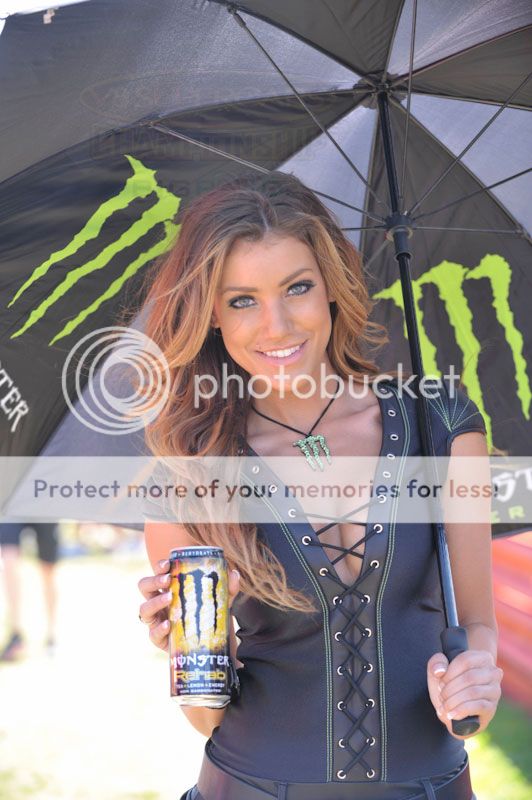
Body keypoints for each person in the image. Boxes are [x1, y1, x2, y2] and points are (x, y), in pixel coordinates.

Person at [136, 172, 502, 800]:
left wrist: (478, 681)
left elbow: (478, 623)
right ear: (211, 317)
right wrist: (192, 646)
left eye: (296, 288)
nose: (276, 326)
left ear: (332, 286)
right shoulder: (190, 470)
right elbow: (207, 716)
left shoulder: (439, 423)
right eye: (241, 299)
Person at [0, 522, 59, 660]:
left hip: (46, 507)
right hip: (14, 507)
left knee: (48, 570)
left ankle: (51, 634)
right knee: (8, 561)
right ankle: (16, 633)